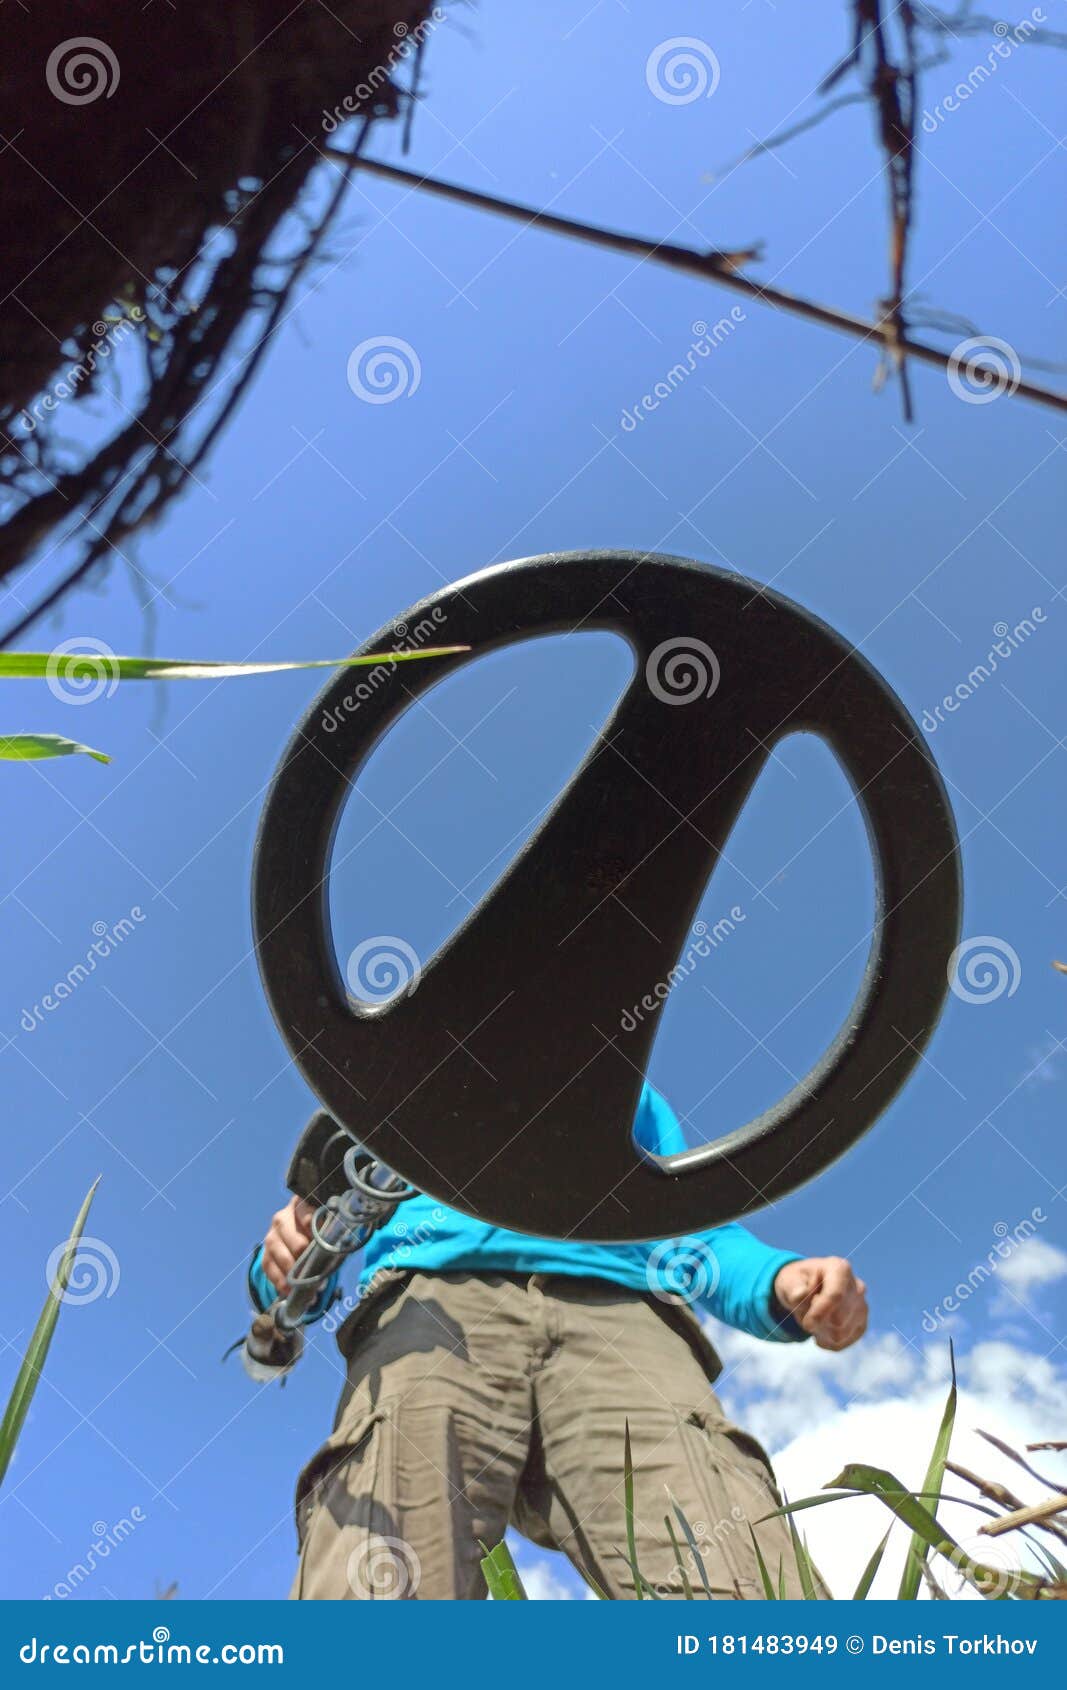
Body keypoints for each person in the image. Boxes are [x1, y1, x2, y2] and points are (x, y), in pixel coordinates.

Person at [251, 1082, 867, 1600]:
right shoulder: (411, 1059)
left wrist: (778, 1280)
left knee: (733, 1578)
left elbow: (689, 1226)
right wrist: (283, 1261)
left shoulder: (624, 1079)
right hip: (433, 1304)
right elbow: (321, 1226)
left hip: (621, 1314)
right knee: (381, 1577)